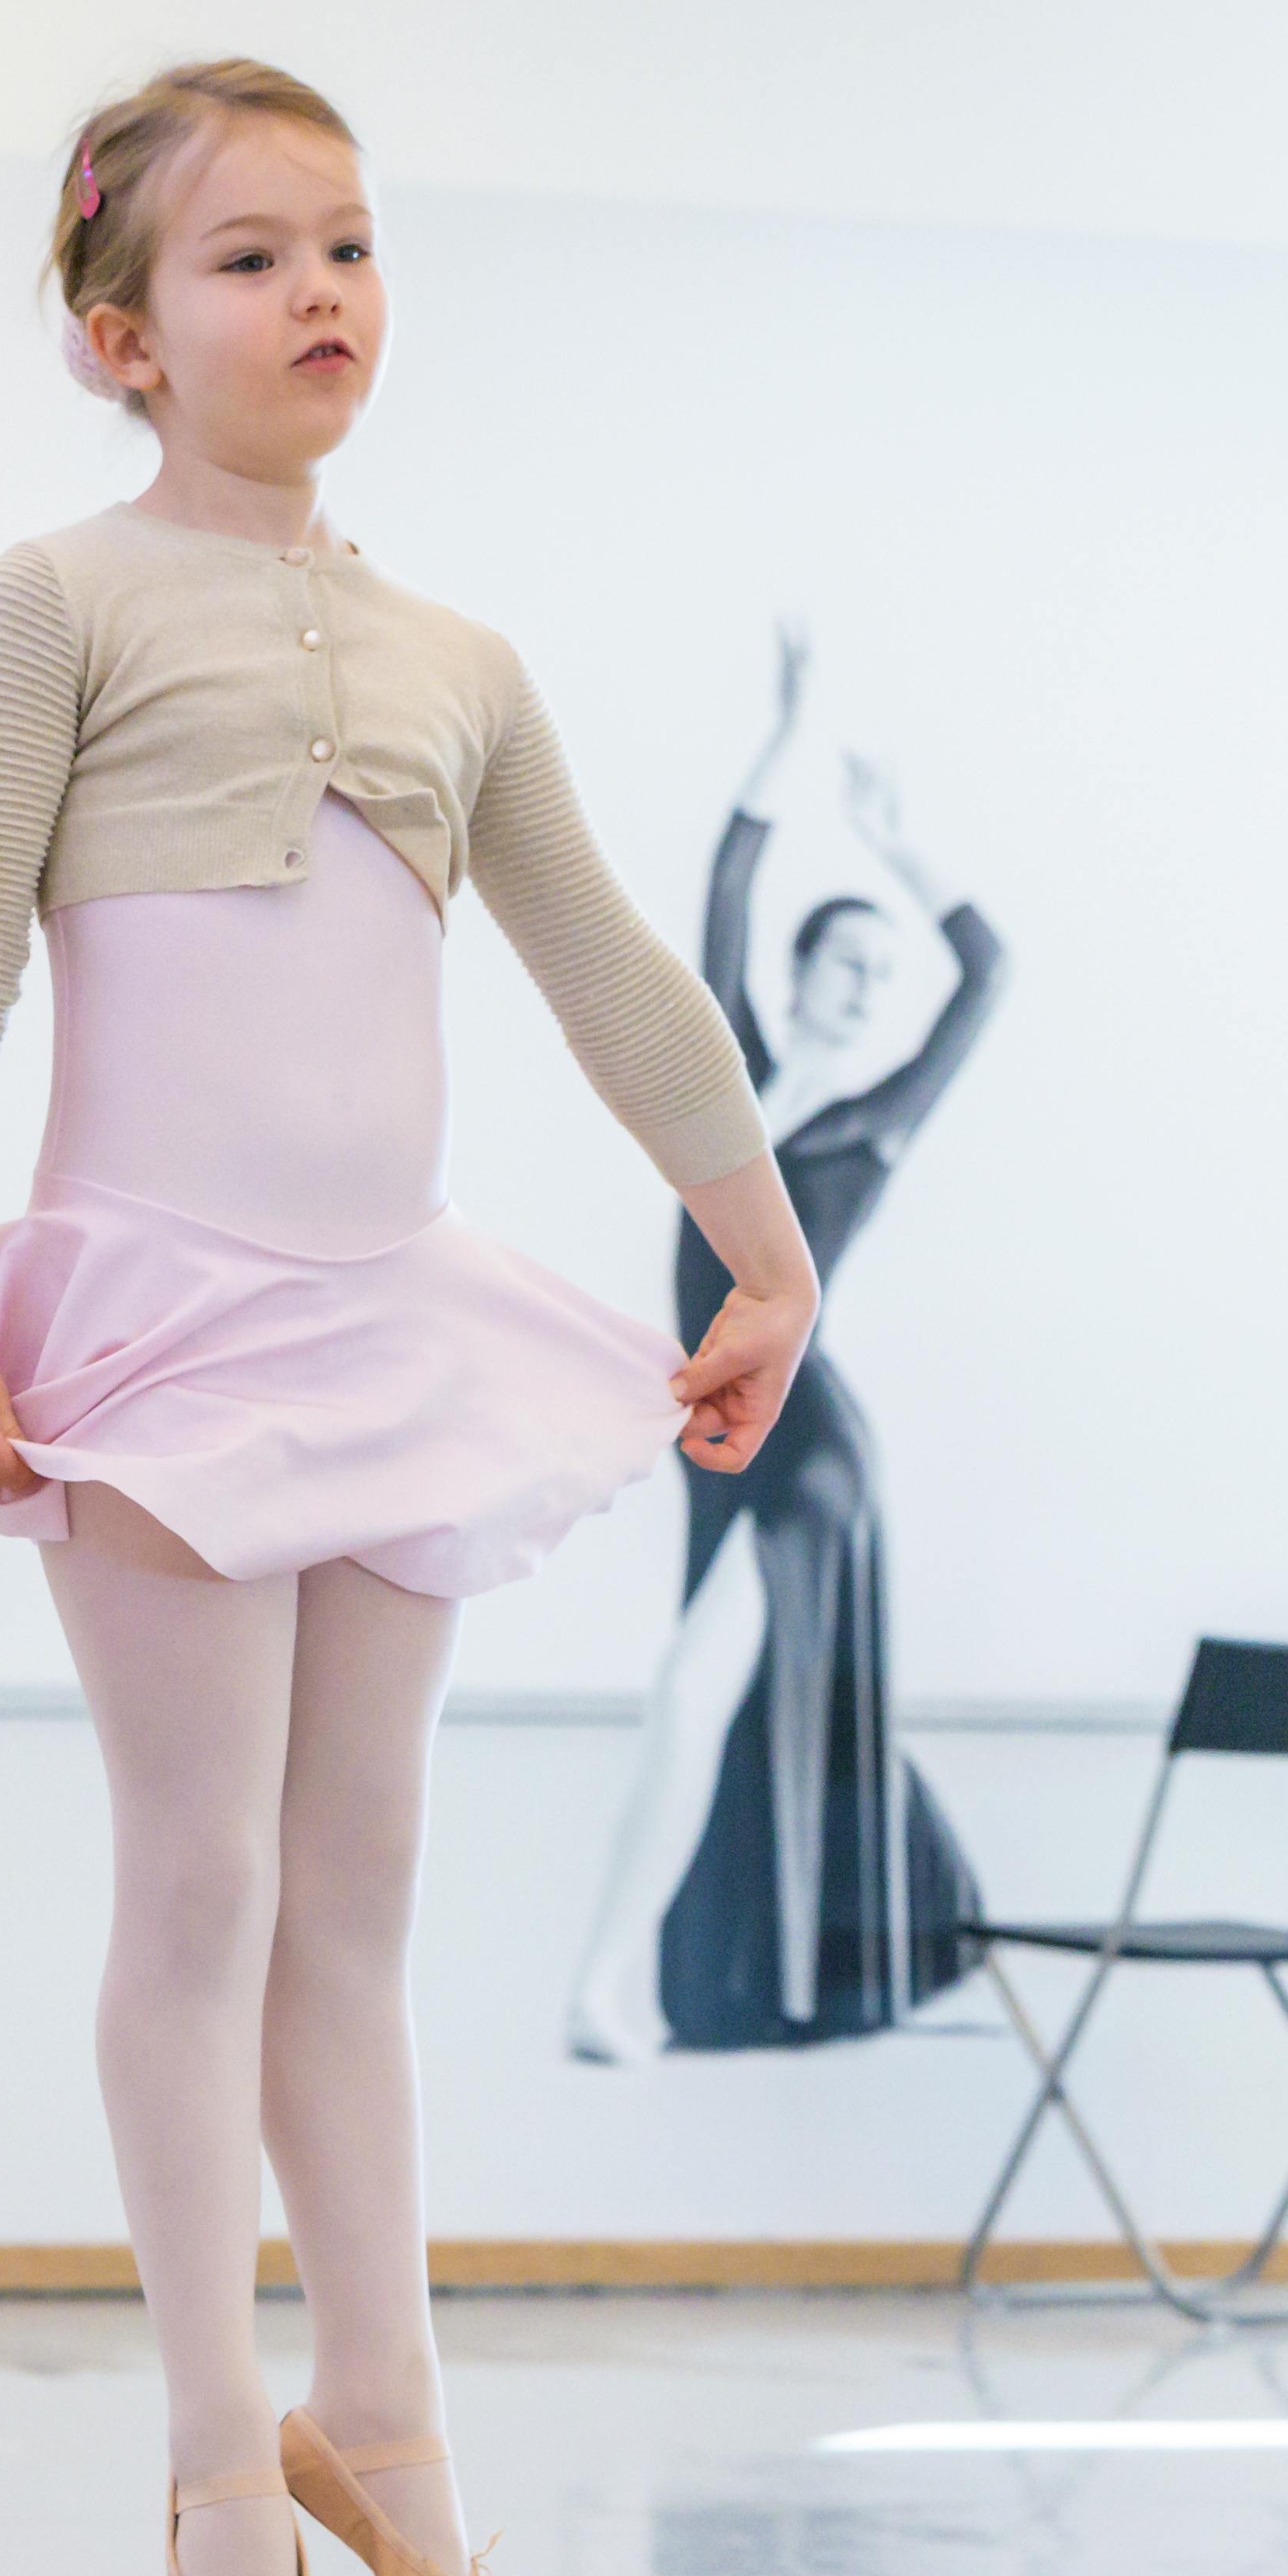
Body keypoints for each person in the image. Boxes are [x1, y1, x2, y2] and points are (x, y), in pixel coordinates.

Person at [0, 62, 817, 2576]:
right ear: (115, 334)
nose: (317, 297)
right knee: (197, 1876)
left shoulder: (452, 664)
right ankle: (205, 2451)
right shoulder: (50, 598)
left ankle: (380, 2407)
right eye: (248, 258)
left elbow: (609, 971)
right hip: (156, 1316)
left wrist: (765, 1245)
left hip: (384, 1316)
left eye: (351, 249)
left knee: (355, 1890)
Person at [565, 628, 1007, 2059]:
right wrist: (785, 743)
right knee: (779, 1698)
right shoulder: (732, 1078)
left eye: (889, 972)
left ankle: (605, 1989)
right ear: (806, 972)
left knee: (699, 1681)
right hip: (716, 1431)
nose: (873, 990)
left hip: (808, 1444)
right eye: (852, 961)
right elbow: (722, 897)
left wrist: (902, 844)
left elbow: (986, 972)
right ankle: (935, 1931)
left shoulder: (877, 1122)